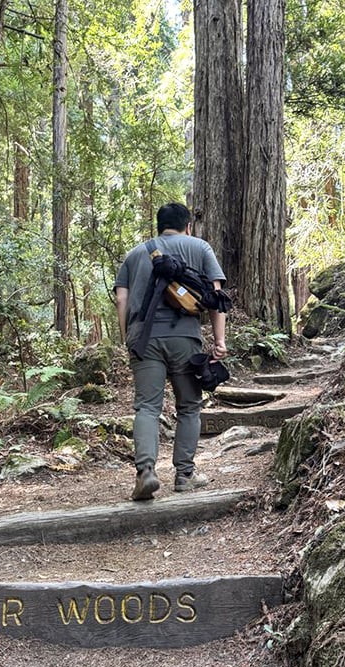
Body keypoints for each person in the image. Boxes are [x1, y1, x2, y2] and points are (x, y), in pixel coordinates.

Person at [114, 202, 228, 501]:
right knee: (189, 406)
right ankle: (184, 475)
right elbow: (217, 298)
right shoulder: (200, 247)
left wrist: (128, 337)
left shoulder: (136, 254)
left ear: (159, 226)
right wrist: (219, 341)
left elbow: (121, 300)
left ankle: (146, 472)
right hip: (184, 337)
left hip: (144, 338)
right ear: (188, 225)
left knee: (147, 407)